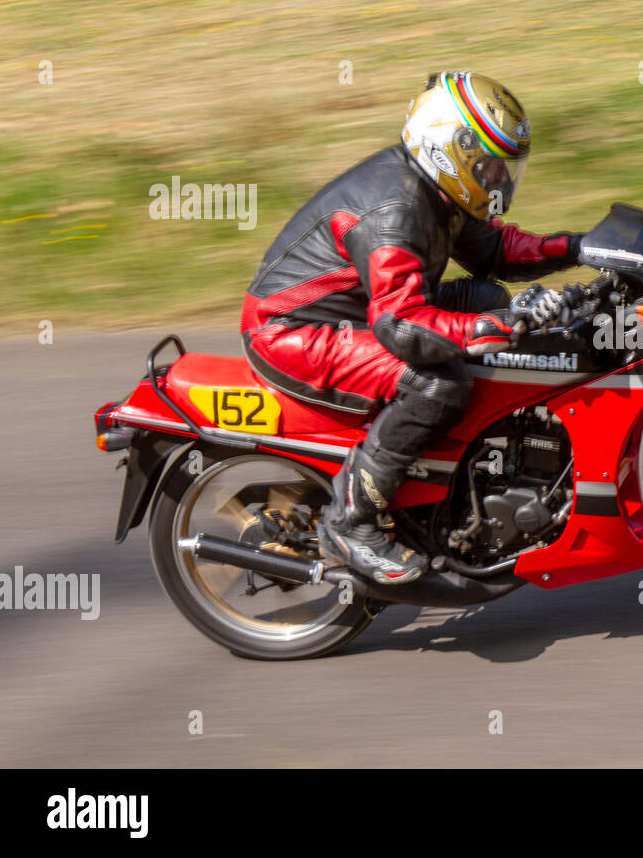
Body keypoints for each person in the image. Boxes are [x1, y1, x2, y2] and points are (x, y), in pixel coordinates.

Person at [240, 71, 583, 584]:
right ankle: (349, 523)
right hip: (294, 331)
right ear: (451, 149)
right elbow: (400, 325)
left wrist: (581, 247)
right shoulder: (396, 211)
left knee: (485, 296)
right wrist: (496, 326)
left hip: (361, 311)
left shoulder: (440, 192)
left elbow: (494, 252)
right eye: (490, 166)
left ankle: (450, 473)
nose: (501, 181)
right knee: (439, 383)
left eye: (506, 167)